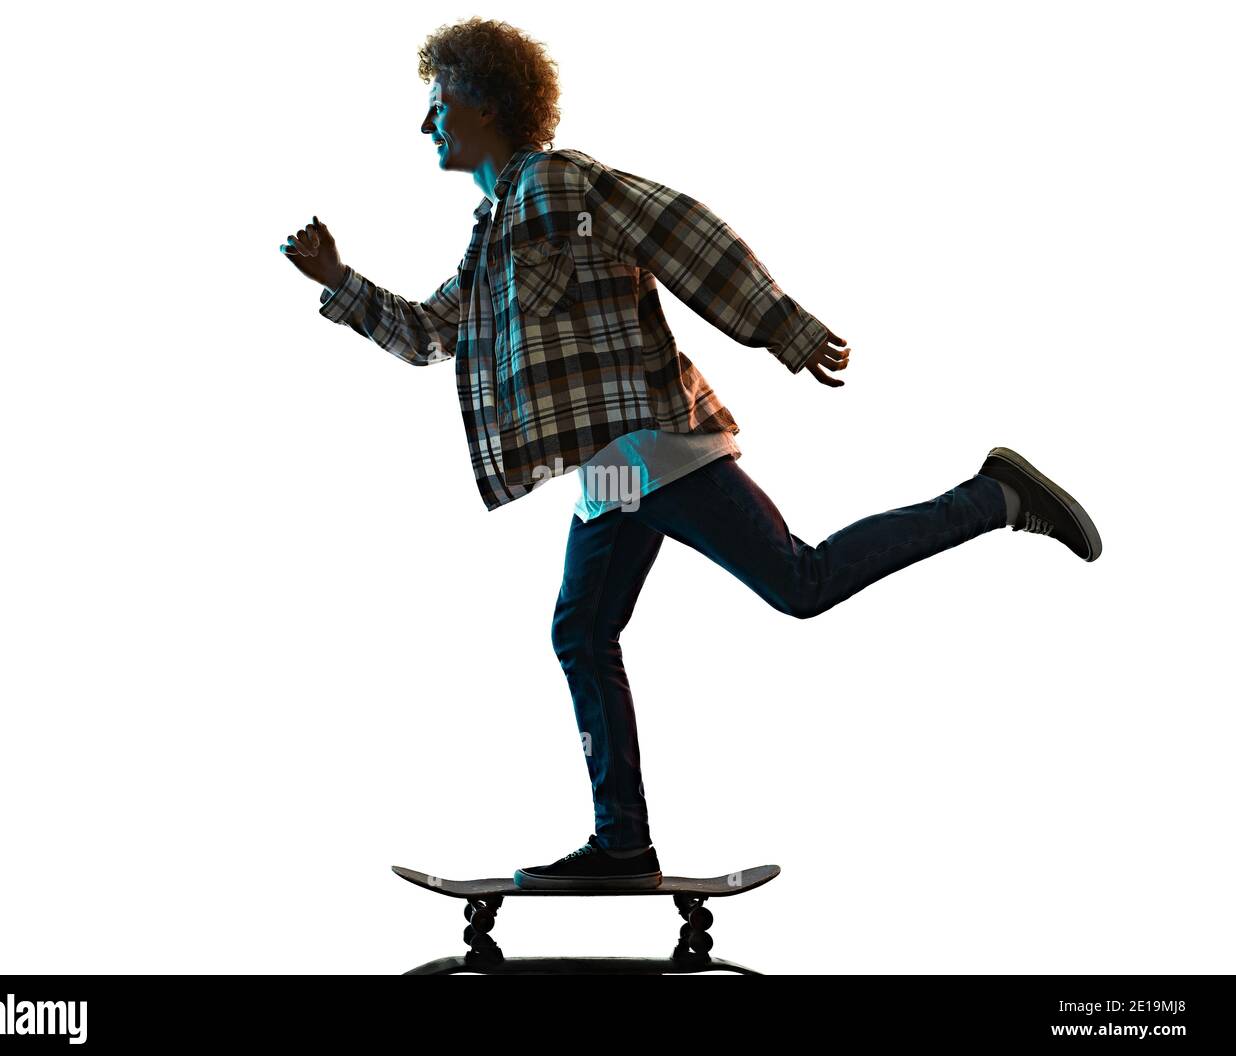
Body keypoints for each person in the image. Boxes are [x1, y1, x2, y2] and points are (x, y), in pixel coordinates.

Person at [280, 17, 1101, 891]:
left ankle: (993, 496)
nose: (425, 125)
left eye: (437, 104)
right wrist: (339, 281)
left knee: (798, 583)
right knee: (581, 631)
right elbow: (426, 335)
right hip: (609, 466)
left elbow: (678, 230)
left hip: (651, 440)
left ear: (483, 103)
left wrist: (777, 321)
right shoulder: (491, 239)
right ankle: (621, 843)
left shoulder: (558, 182)